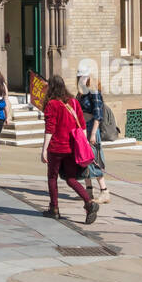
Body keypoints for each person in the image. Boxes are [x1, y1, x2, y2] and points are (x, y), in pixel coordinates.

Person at [41, 75, 98, 224]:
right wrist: (83, 145)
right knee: (71, 179)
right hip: (72, 148)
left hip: (56, 147)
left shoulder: (52, 104)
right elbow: (82, 126)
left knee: (52, 177)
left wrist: (44, 149)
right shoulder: (73, 101)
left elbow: (50, 129)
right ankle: (89, 202)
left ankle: (54, 209)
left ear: (51, 87)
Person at [78, 75, 110, 203]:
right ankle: (89, 190)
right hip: (83, 128)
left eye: (83, 76)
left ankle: (104, 191)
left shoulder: (94, 92)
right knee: (84, 159)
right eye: (79, 76)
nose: (80, 78)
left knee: (95, 159)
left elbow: (98, 115)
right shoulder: (81, 93)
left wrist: (93, 133)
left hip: (92, 128)